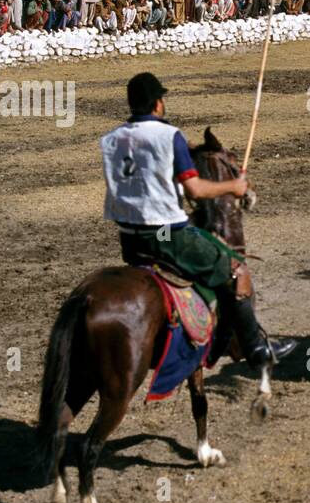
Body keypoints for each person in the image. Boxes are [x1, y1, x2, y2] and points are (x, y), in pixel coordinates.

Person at [101, 72, 296, 370]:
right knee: (236, 270)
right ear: (157, 104)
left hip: (129, 239)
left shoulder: (111, 139)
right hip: (167, 236)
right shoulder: (170, 136)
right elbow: (195, 189)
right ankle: (256, 347)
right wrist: (234, 187)